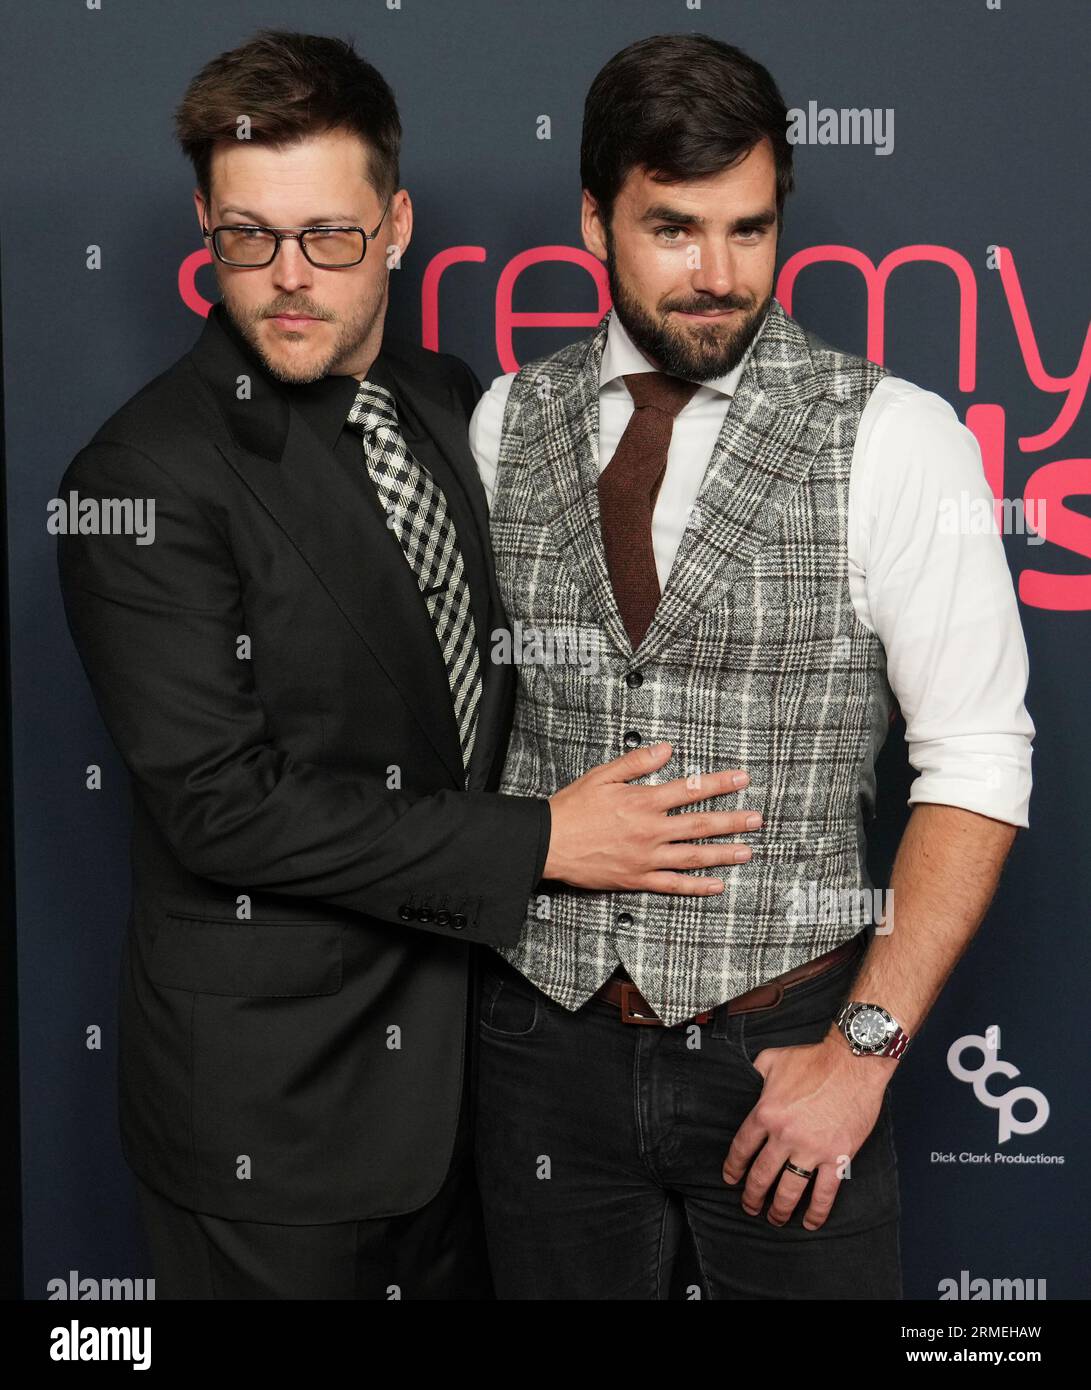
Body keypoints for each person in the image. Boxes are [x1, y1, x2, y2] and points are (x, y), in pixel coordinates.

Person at [55, 29, 754, 1300]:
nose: (286, 279)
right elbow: (224, 808)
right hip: (274, 1116)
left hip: (477, 1093)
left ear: (396, 226)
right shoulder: (142, 477)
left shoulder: (454, 403)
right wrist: (538, 839)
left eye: (329, 234)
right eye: (246, 237)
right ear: (205, 228)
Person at [468, 33, 1035, 1300]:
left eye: (749, 229)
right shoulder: (506, 417)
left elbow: (977, 761)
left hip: (785, 1042)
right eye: (671, 228)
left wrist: (863, 1051)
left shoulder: (896, 437)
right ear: (593, 218)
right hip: (538, 1044)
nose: (716, 275)